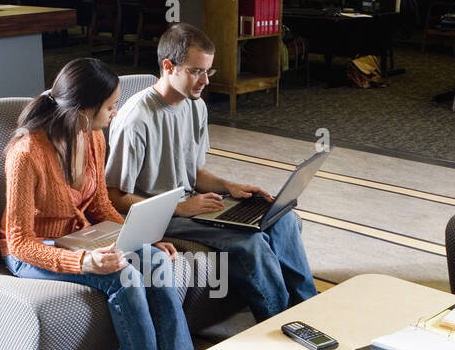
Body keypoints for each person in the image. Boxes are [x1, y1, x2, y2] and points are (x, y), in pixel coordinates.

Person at [0, 57, 194, 350]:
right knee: (127, 278)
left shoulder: (93, 138)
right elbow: (20, 241)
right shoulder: (26, 152)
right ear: (83, 111)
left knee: (157, 263)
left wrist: (142, 239)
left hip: (79, 239)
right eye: (110, 106)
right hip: (34, 251)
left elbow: (100, 206)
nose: (115, 113)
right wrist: (86, 262)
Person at [106, 23, 317, 322]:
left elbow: (193, 173)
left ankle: (310, 308)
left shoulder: (195, 106)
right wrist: (179, 208)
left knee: (282, 218)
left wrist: (229, 187)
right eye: (196, 71)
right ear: (168, 66)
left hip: (193, 205)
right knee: (250, 243)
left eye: (208, 71)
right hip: (158, 217)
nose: (205, 80)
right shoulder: (135, 119)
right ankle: (282, 324)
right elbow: (112, 195)